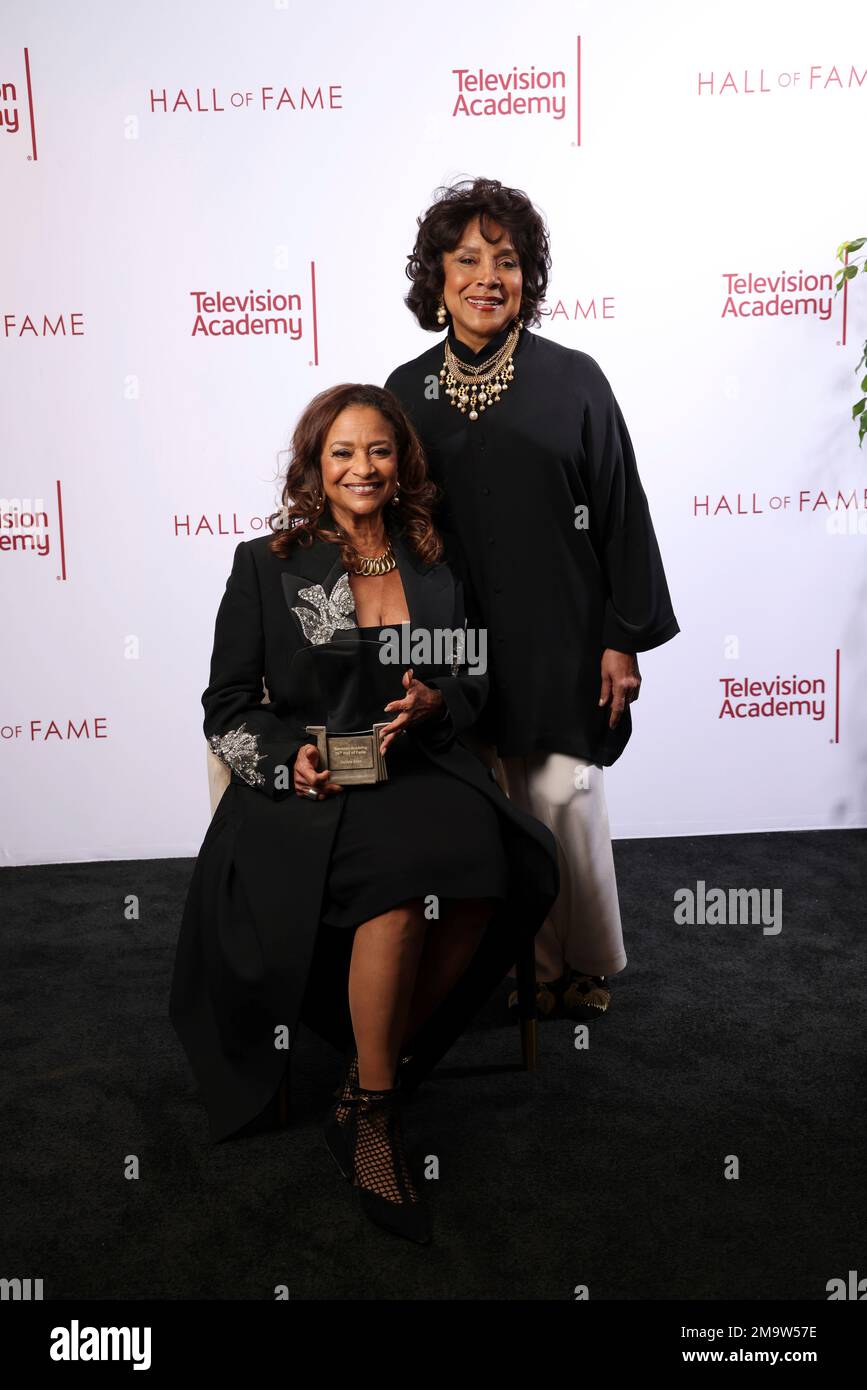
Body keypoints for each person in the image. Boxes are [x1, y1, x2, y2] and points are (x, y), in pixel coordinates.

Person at [169, 382, 559, 1245]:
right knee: (396, 888)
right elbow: (226, 706)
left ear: (401, 461)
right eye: (341, 452)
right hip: (315, 786)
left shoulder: (433, 558)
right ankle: (375, 1117)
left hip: (418, 767)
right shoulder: (269, 562)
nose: (361, 467)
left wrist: (436, 702)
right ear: (314, 464)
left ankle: (357, 1081)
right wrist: (285, 761)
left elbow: (472, 675)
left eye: (378, 450)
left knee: (491, 870)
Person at [385, 178, 679, 1023]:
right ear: (435, 278)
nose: (487, 276)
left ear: (528, 278)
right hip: (457, 644)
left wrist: (620, 639)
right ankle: (510, 966)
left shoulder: (573, 379)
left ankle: (580, 964)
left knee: (561, 799)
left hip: (563, 637)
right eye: (467, 259)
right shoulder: (405, 393)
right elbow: (391, 529)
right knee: (487, 807)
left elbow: (621, 512)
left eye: (506, 261)